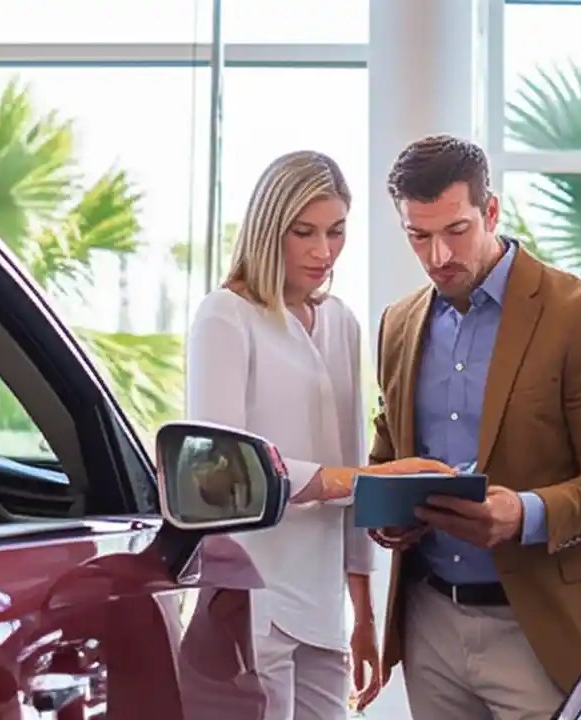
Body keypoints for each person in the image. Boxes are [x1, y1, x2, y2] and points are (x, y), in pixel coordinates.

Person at [367, 135, 581, 719]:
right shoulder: (399, 323)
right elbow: (388, 453)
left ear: (491, 211)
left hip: (543, 629)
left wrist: (524, 514)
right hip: (431, 626)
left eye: (456, 230)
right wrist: (387, 514)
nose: (438, 256)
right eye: (418, 236)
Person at [185, 150, 452, 720]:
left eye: (335, 232)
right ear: (267, 229)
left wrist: (365, 616)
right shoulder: (224, 318)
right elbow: (222, 478)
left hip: (324, 605)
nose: (321, 251)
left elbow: (350, 463)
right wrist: (364, 477)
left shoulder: (341, 322)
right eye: (303, 232)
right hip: (252, 597)